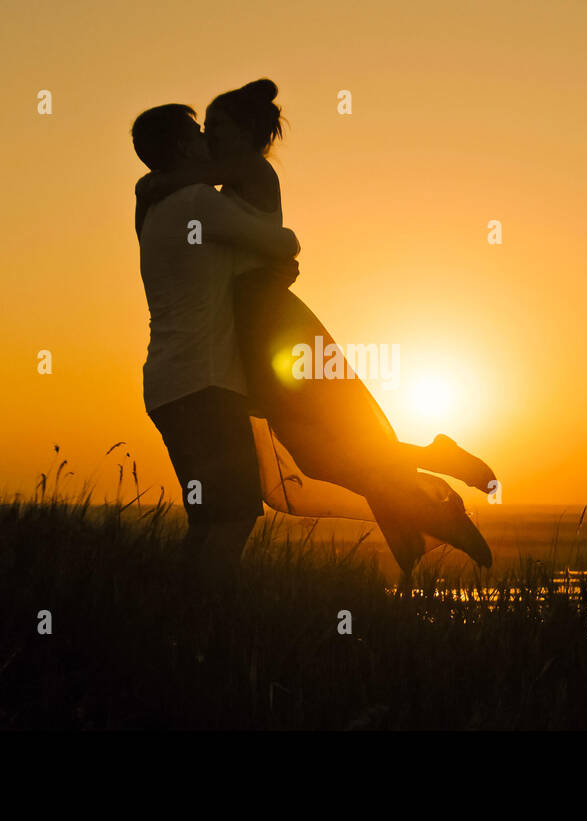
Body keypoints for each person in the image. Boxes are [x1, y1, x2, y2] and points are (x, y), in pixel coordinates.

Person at [136, 81, 496, 575]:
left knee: (325, 443)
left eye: (216, 126)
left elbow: (275, 236)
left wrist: (151, 182)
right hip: (251, 326)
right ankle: (423, 483)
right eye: (203, 128)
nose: (209, 136)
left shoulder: (243, 170)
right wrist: (152, 184)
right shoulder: (206, 192)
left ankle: (424, 487)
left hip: (268, 322)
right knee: (317, 454)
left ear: (246, 135)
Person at [131, 102, 301, 575]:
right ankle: (206, 619)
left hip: (167, 387)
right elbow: (285, 244)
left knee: (206, 517)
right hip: (205, 387)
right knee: (234, 515)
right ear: (187, 145)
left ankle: (181, 617)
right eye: (199, 133)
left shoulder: (154, 210)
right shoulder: (197, 204)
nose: (208, 140)